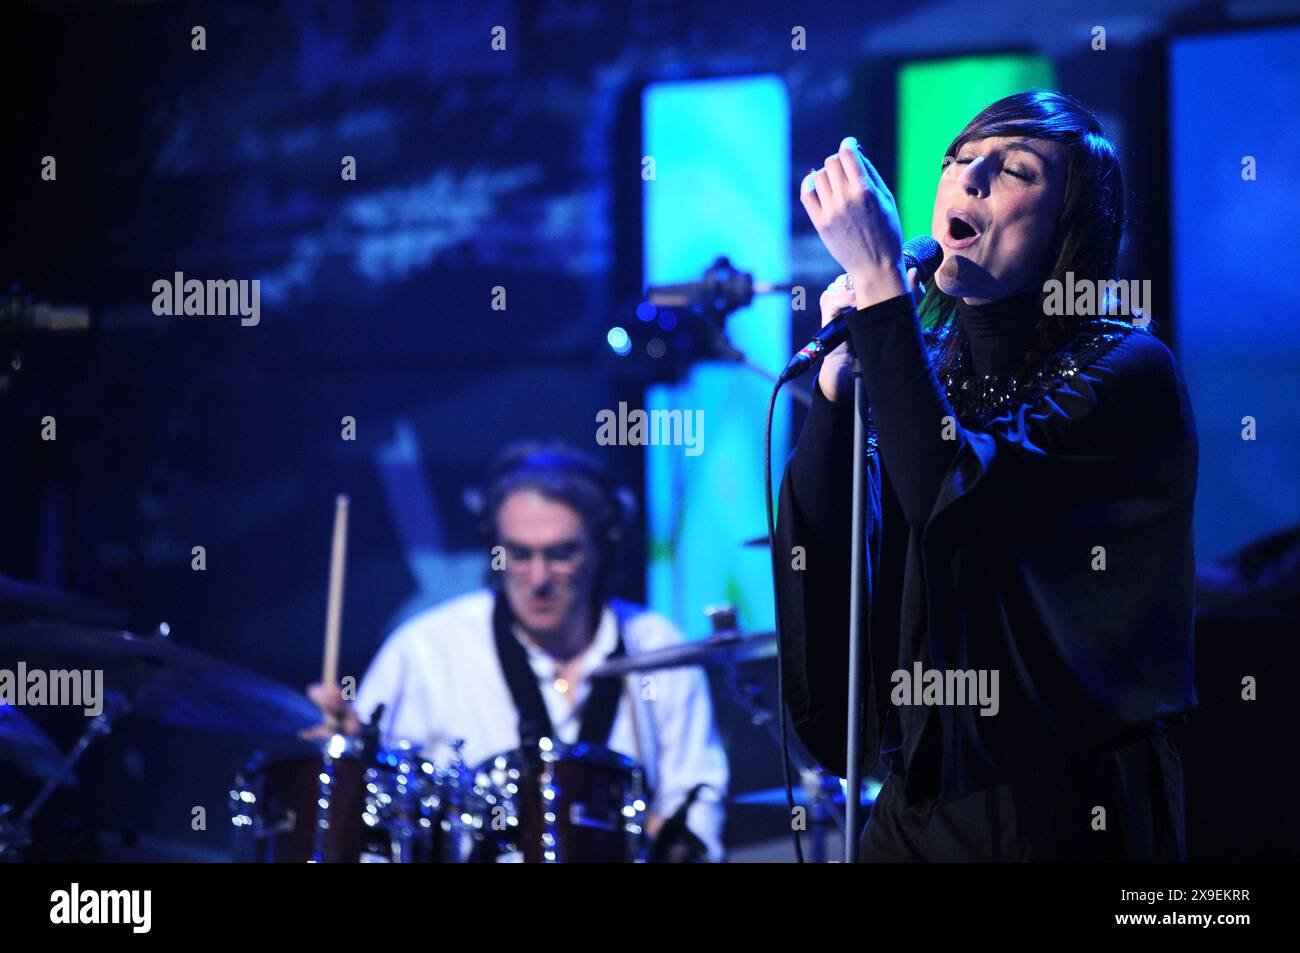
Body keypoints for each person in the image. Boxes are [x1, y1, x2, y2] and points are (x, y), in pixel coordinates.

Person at [775, 90, 1197, 861]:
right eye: (959, 160)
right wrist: (836, 395)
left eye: (1015, 170)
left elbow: (958, 497)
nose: (970, 179)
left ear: (1070, 225)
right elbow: (832, 553)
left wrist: (878, 284)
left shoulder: (1128, 371)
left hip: (1063, 803)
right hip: (920, 797)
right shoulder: (925, 363)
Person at [308, 440, 728, 861]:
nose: (538, 577)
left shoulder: (656, 644)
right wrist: (351, 756)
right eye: (519, 554)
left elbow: (697, 800)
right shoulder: (424, 650)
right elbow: (376, 810)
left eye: (562, 553)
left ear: (603, 546)